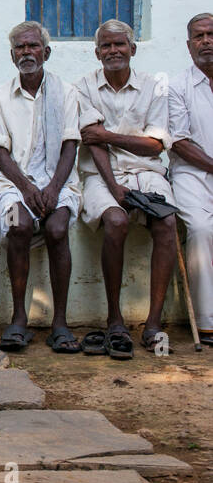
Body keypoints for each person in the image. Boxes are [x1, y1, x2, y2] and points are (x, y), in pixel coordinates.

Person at [75, 19, 177, 358]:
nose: (113, 51)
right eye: (106, 46)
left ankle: (153, 323)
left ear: (132, 49)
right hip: (102, 175)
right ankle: (115, 319)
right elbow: (92, 142)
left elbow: (154, 146)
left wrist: (109, 135)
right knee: (116, 221)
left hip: (147, 173)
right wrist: (114, 186)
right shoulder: (84, 87)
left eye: (120, 44)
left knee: (167, 223)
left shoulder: (154, 86)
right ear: (97, 52)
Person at [0, 21, 82, 353]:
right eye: (20, 47)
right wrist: (27, 188)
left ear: (47, 52)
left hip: (59, 182)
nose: (26, 52)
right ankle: (18, 318)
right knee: (19, 225)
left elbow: (71, 144)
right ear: (12, 54)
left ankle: (60, 323)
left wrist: (54, 189)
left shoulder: (66, 92)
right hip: (14, 184)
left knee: (58, 229)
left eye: (32, 46)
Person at [169, 12, 213, 346]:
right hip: (192, 175)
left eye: (211, 34)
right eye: (199, 36)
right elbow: (179, 142)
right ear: (189, 45)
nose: (206, 41)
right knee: (200, 229)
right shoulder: (178, 87)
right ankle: (208, 321)